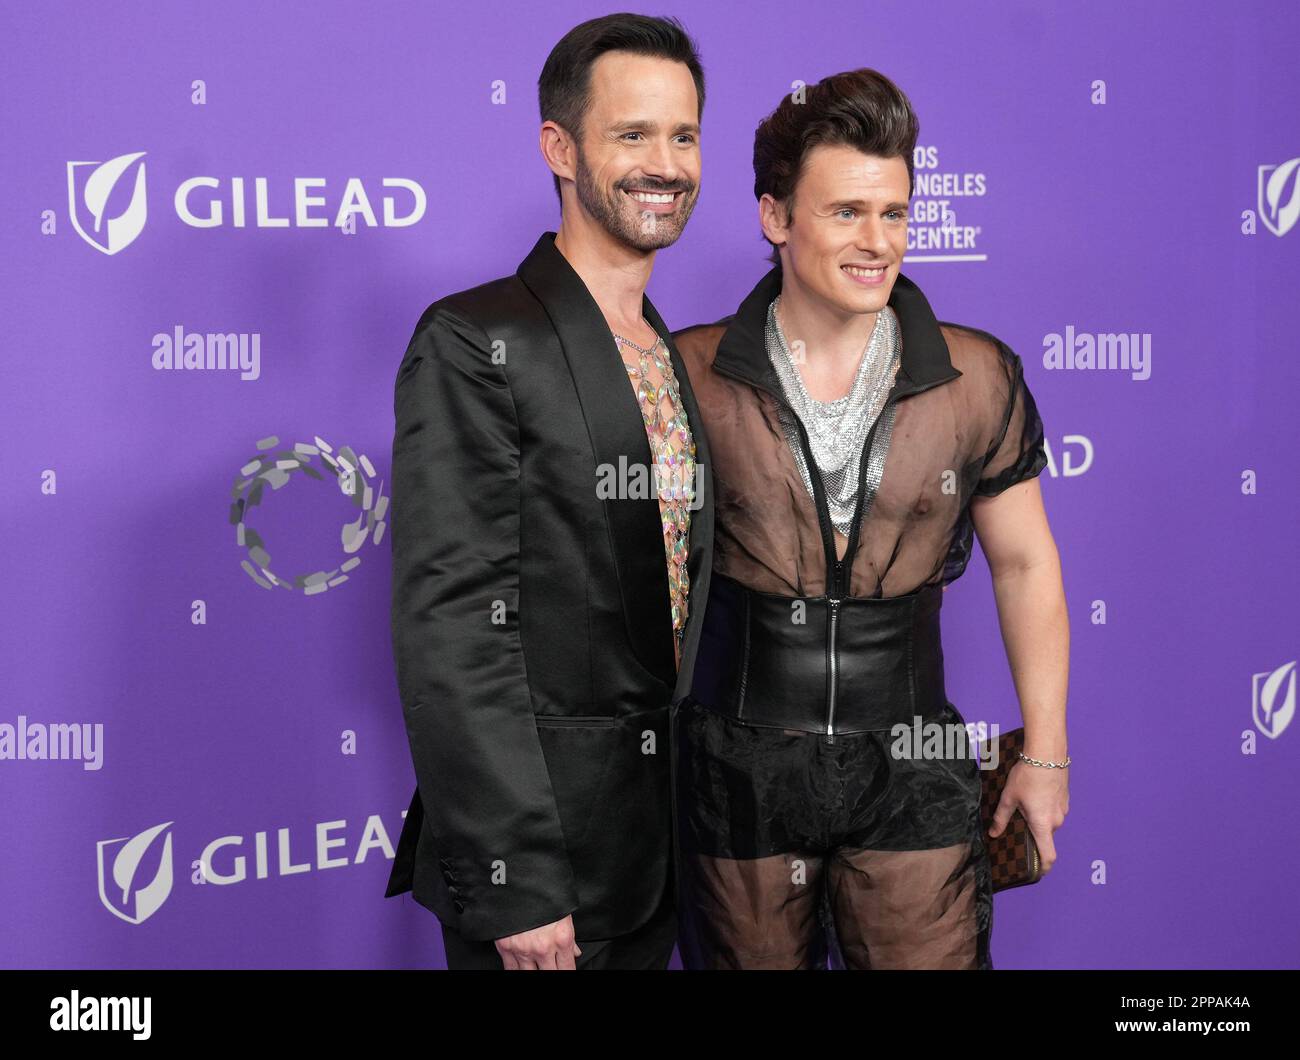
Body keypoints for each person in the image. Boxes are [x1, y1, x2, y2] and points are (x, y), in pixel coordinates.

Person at [670, 68, 1069, 970]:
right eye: (847, 212)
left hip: (914, 757)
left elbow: (1026, 566)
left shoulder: (978, 377)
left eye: (894, 213)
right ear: (777, 217)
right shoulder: (685, 374)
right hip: (739, 766)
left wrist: (1046, 754)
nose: (877, 241)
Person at [384, 13, 714, 970]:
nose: (665, 163)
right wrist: (514, 878)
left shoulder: (662, 347)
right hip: (542, 874)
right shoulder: (477, 339)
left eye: (683, 135)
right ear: (559, 149)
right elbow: (452, 625)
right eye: (632, 134)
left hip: (653, 857)